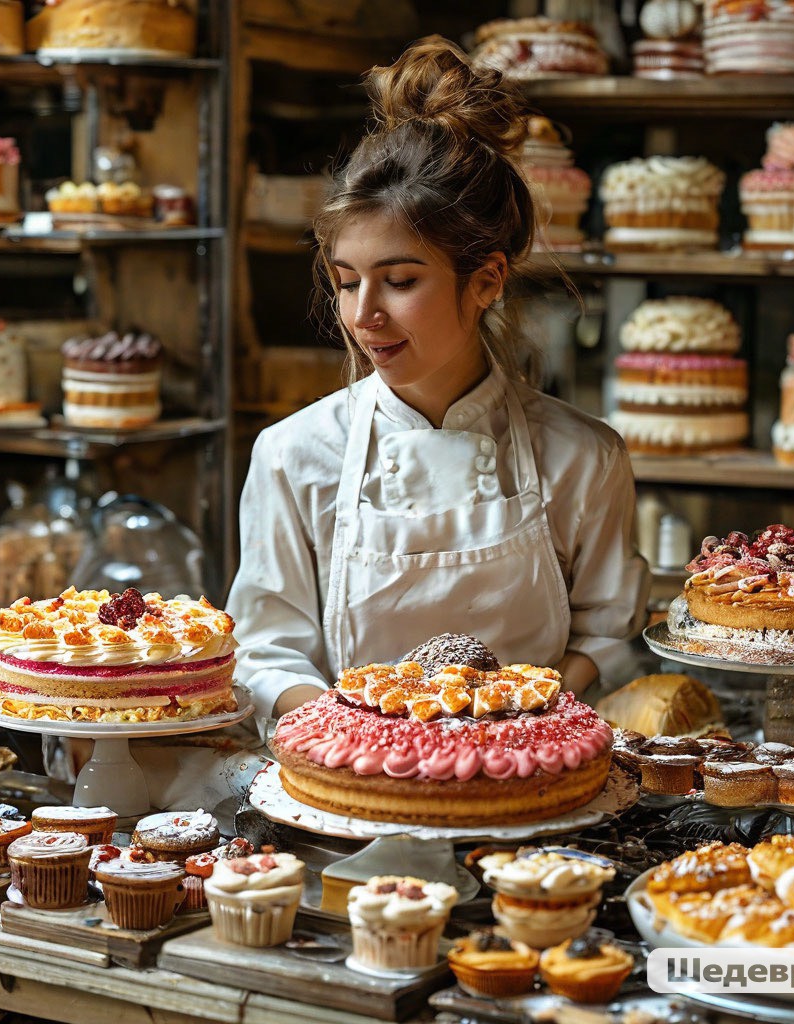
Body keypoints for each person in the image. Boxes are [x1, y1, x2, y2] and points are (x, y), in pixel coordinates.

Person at [229, 37, 650, 734]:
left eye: (399, 281)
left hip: (527, 780)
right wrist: (381, 738)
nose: (364, 314)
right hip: (358, 785)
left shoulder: (583, 458)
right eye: (346, 281)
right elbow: (269, 654)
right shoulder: (291, 455)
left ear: (486, 279)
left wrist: (516, 719)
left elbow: (607, 636)